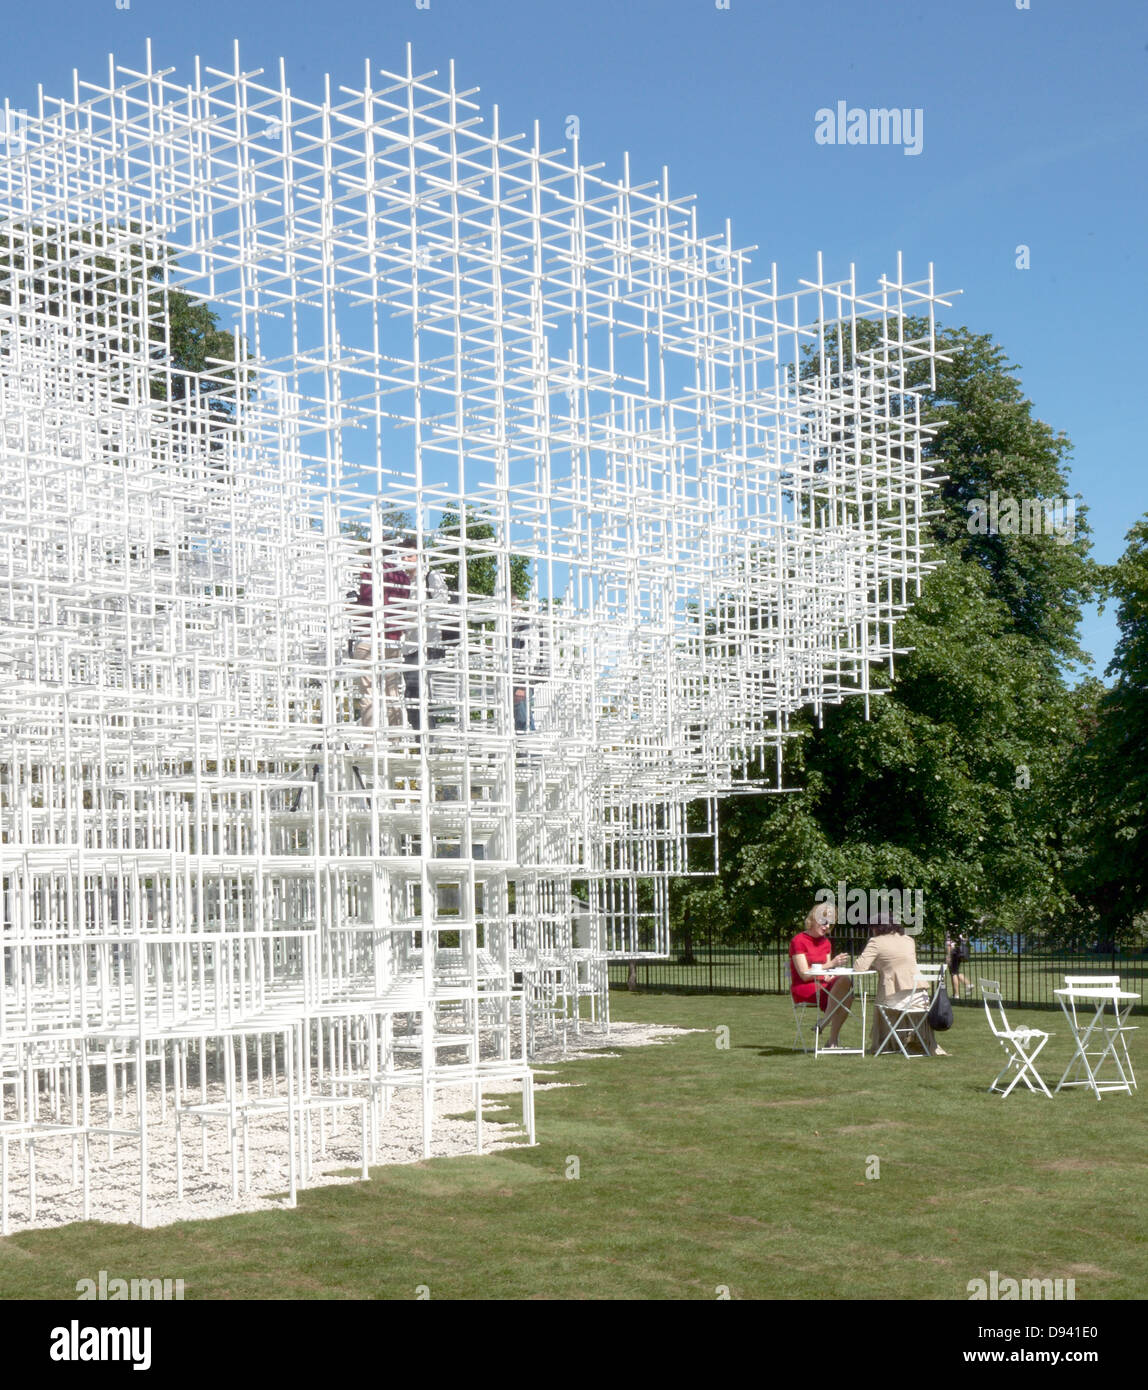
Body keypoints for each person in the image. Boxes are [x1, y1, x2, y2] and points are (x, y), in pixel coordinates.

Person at [351, 538, 418, 728]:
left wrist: (352, 606)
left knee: (369, 692)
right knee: (392, 691)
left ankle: (369, 741)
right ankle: (396, 739)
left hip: (369, 637)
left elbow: (369, 603)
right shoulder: (402, 577)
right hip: (393, 639)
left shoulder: (371, 571)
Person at [855, 914, 941, 1055]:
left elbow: (859, 967)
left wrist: (876, 966)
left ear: (876, 927)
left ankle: (889, 1042)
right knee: (891, 1001)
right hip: (919, 998)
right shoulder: (909, 940)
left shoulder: (876, 942)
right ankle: (914, 1041)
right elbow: (899, 962)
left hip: (895, 999)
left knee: (881, 1003)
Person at [789, 902, 853, 1049]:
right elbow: (805, 975)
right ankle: (830, 1037)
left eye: (829, 925)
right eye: (824, 923)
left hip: (823, 985)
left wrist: (832, 972)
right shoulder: (798, 941)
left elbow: (826, 972)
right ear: (814, 919)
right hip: (804, 987)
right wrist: (832, 964)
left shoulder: (826, 942)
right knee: (844, 997)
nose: (826, 928)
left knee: (845, 984)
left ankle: (828, 1031)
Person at [946, 931, 971, 1001]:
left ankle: (957, 994)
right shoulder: (961, 928)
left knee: (953, 973)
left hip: (953, 951)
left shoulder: (951, 929)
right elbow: (966, 939)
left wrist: (948, 955)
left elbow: (949, 944)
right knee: (956, 971)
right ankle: (966, 986)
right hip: (960, 951)